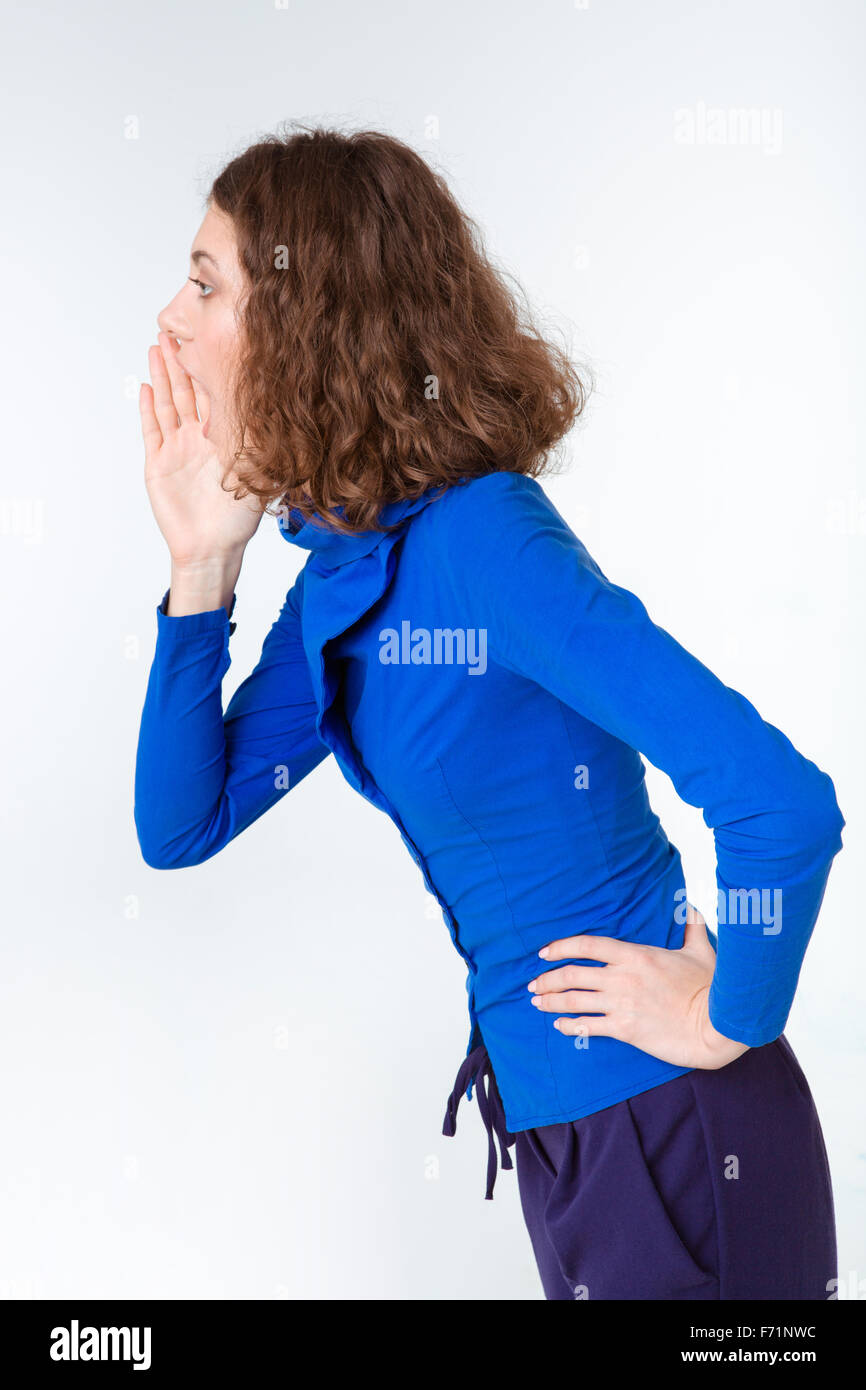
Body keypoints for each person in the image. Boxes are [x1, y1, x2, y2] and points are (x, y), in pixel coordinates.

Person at [134, 125, 845, 1301]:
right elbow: (182, 822)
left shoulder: (481, 543)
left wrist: (732, 1013)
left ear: (310, 320)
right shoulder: (347, 574)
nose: (169, 314)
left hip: (675, 1128)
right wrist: (201, 567)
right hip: (563, 1140)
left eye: (204, 282)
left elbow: (782, 804)